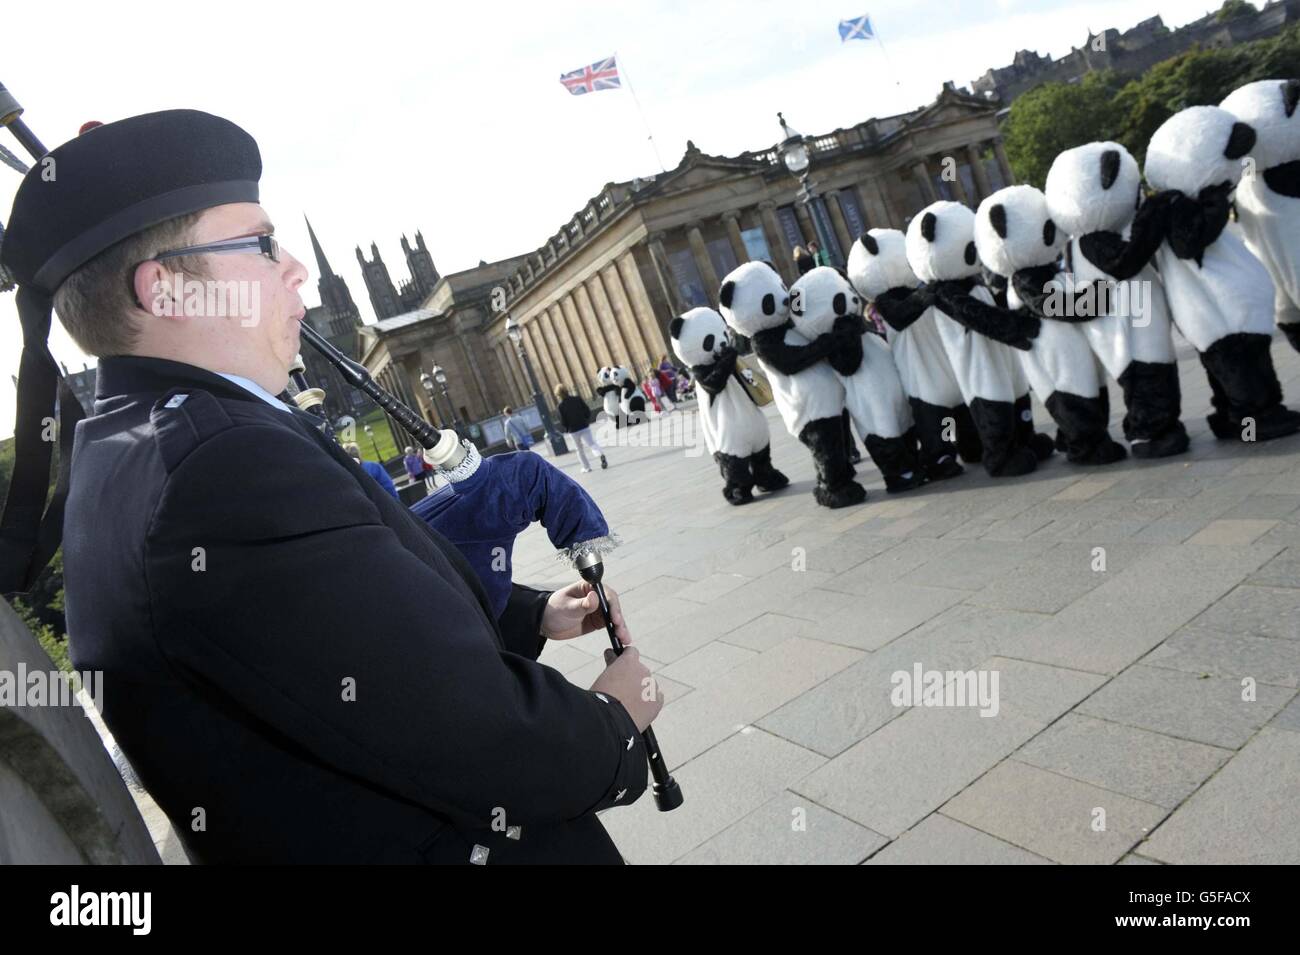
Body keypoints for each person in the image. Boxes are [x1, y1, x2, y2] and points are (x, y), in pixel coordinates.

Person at [0, 109, 661, 864]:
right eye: (258, 242)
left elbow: (337, 621)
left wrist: (530, 613)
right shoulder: (221, 467)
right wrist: (614, 720)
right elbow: (470, 737)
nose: (295, 267)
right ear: (167, 291)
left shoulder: (131, 439)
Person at [554, 385, 608, 473]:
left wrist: (567, 428)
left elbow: (563, 420)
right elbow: (587, 410)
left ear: (559, 395)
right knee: (592, 444)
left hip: (573, 430)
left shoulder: (560, 406)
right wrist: (586, 420)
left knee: (579, 449)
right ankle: (600, 455)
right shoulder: (577, 399)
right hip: (583, 426)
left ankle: (586, 467)